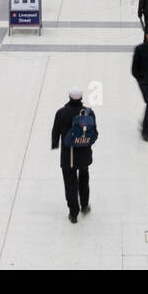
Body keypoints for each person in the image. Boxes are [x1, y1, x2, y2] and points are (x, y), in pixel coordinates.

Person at [50, 88, 98, 223]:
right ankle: (84, 206)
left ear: (69, 97)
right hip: (84, 154)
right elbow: (95, 132)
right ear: (81, 98)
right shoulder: (89, 113)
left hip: (68, 156)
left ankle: (73, 213)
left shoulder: (62, 112)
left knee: (70, 184)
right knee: (84, 179)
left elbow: (56, 131)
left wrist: (55, 144)